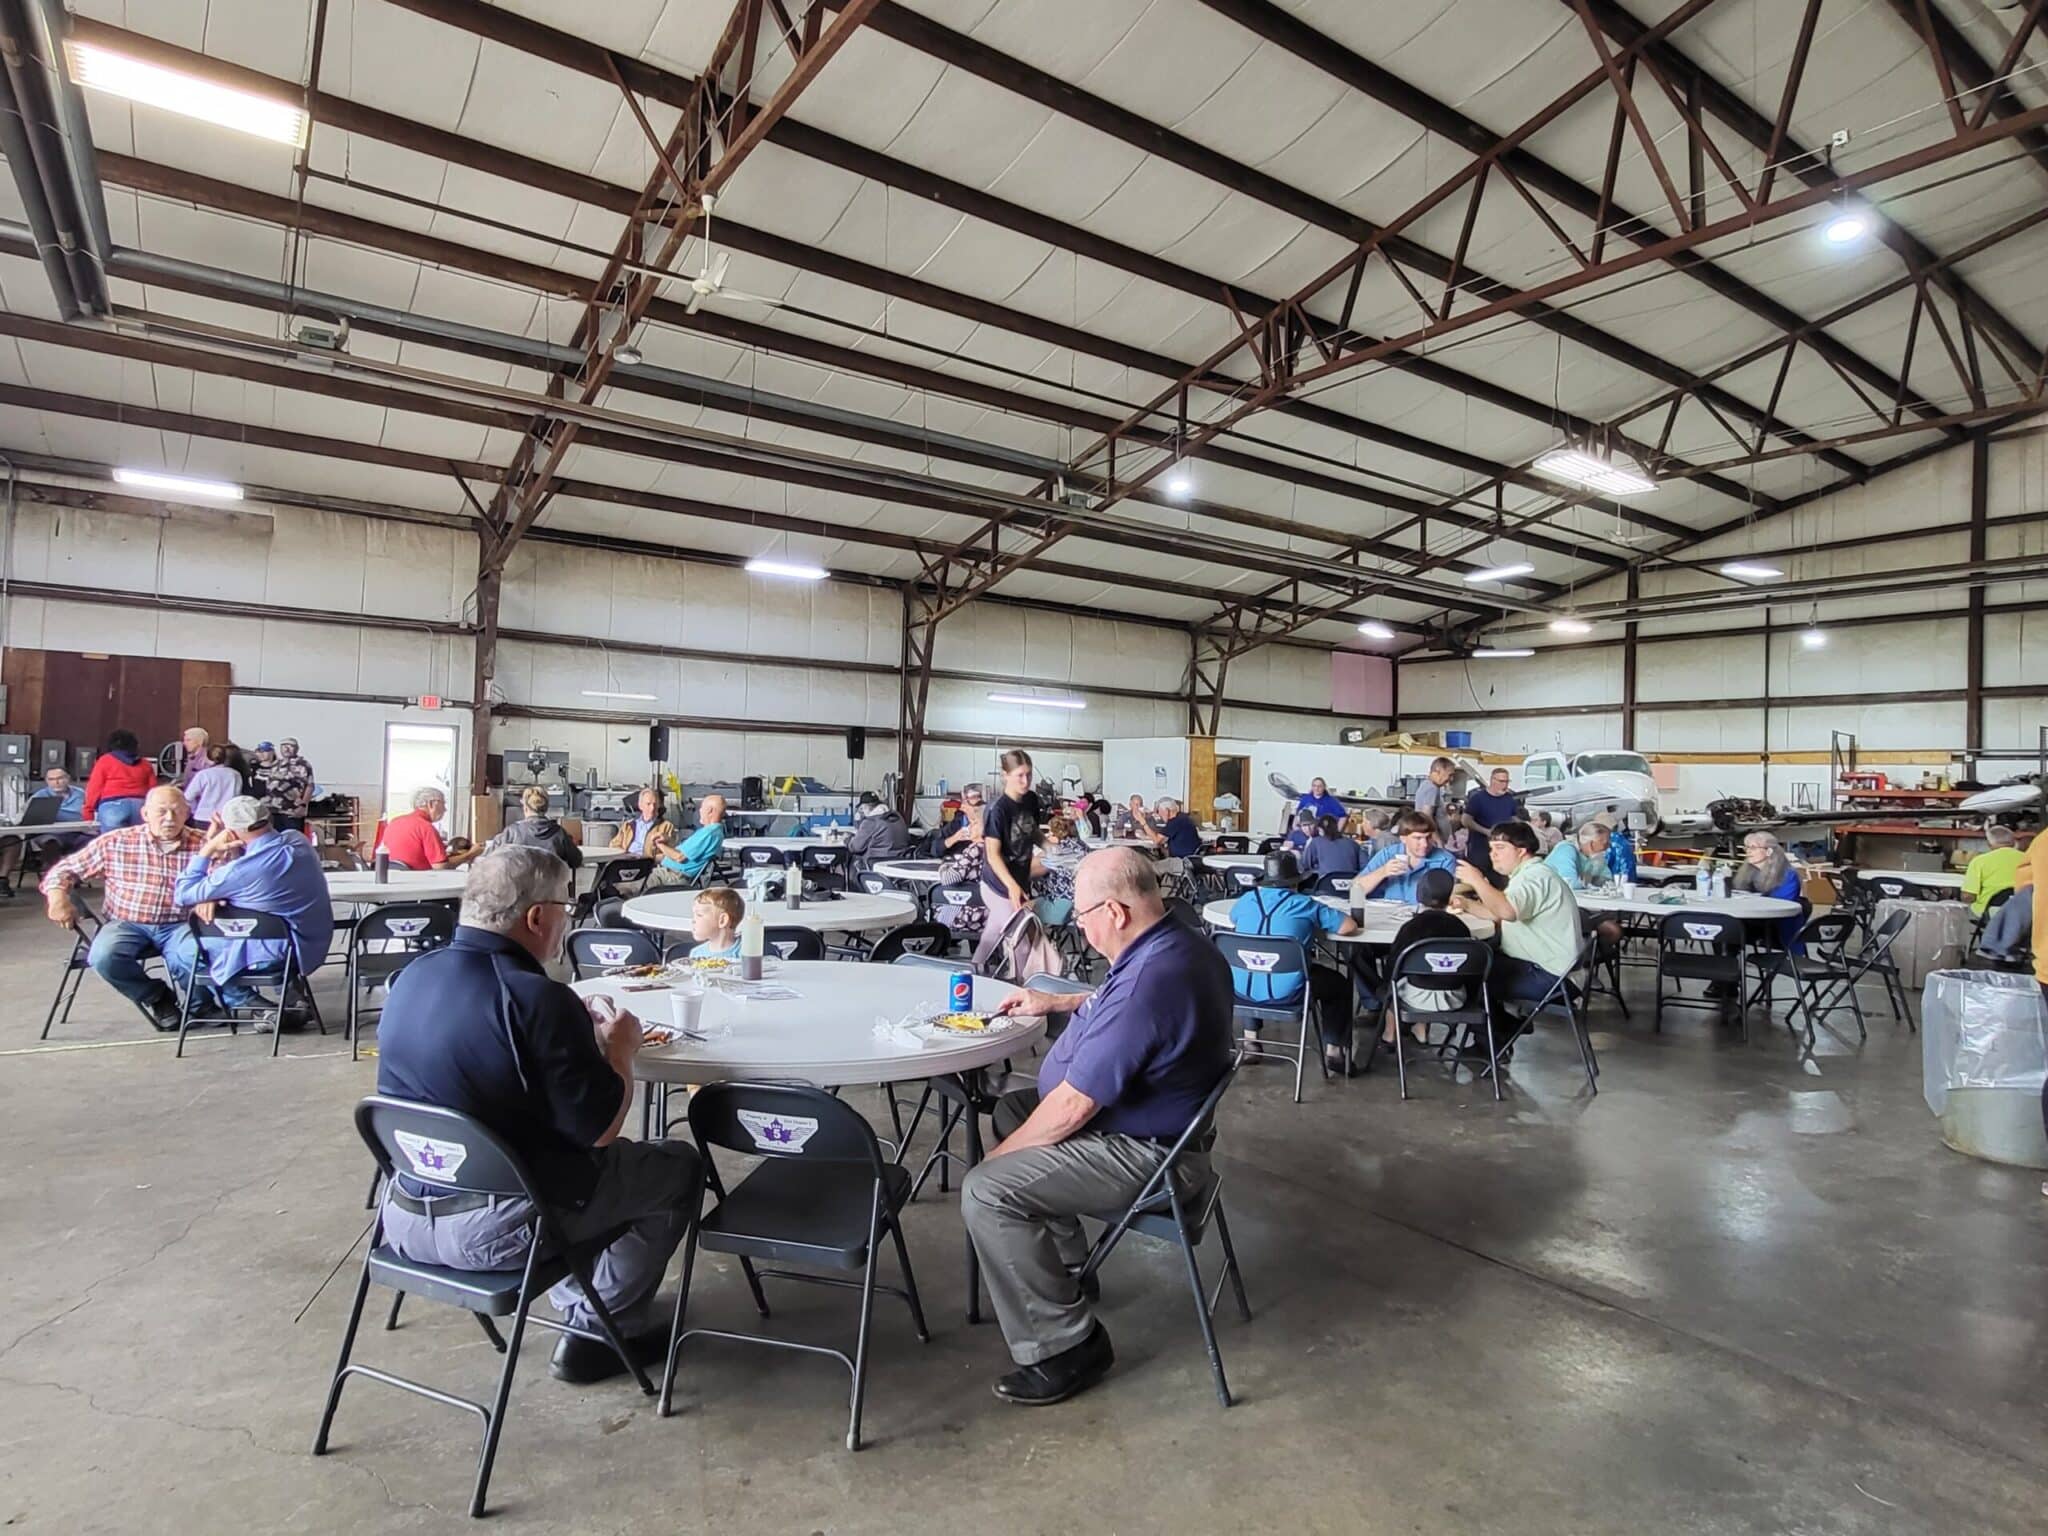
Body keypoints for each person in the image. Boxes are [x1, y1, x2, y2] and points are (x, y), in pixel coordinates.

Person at [373, 846, 703, 1384]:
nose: (565, 920)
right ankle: (600, 1327)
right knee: (673, 1168)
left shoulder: (411, 978)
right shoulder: (537, 998)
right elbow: (600, 1132)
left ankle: (584, 1297)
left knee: (572, 1167)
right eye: (565, 908)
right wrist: (619, 1049)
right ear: (537, 916)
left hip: (404, 1212)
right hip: (495, 1235)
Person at [963, 848, 1234, 1406]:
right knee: (1013, 1110)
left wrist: (998, 1162)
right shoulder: (1177, 940)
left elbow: (1073, 1108)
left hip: (1153, 1156)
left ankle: (1066, 1347)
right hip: (1160, 1126)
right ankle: (1065, 1271)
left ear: (1114, 911)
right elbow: (1121, 1003)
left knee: (988, 1191)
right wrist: (1057, 1000)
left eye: (1083, 916)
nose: (1080, 927)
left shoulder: (1150, 982)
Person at [41, 785, 206, 1031]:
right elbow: (63, 871)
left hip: (181, 923)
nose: (169, 819)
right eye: (161, 812)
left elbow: (231, 877)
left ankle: (201, 1006)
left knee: (197, 954)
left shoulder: (204, 844)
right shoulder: (116, 842)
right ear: (145, 813)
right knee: (103, 957)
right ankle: (157, 997)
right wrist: (57, 898)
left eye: (176, 811)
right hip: (127, 922)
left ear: (187, 813)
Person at [168, 796, 333, 1028]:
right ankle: (293, 996)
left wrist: (208, 848)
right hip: (307, 947)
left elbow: (183, 894)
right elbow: (249, 876)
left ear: (231, 833)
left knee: (182, 951)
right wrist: (217, 890)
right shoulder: (298, 842)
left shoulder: (238, 873)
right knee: (265, 923)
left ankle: (257, 1007)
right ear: (268, 818)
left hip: (271, 955)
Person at [1454, 821, 1582, 1051]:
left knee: (1464, 974)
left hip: (1549, 977)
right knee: (1473, 965)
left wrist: (1475, 881)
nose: (1494, 856)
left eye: (1501, 848)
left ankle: (1493, 1041)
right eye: (1491, 849)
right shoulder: (1531, 874)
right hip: (1549, 968)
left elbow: (1506, 911)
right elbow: (1499, 911)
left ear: (1521, 850)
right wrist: (1465, 904)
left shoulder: (1533, 878)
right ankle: (1502, 1031)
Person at [1228, 849, 1360, 1071]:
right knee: (1338, 984)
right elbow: (1349, 927)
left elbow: (1233, 919)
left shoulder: (1246, 900)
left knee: (1254, 968)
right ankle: (1334, 1051)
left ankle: (1250, 1040)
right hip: (1289, 992)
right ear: (1295, 882)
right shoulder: (1305, 904)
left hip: (1240, 991)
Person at [1379, 867, 1477, 1049]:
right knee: (1433, 971)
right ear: (1449, 898)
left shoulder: (1411, 927)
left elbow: (1394, 968)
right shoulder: (1461, 928)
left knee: (1392, 983)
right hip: (1456, 997)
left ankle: (1390, 1034)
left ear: (1418, 895)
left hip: (1417, 997)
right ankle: (1421, 1030)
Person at [977, 750, 1043, 967]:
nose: (1026, 781)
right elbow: (992, 855)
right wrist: (1012, 886)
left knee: (991, 937)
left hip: (1020, 881)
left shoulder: (1031, 800)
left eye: (1029, 775)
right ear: (1005, 775)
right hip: (998, 884)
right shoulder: (997, 810)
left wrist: (1050, 847)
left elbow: (1032, 831)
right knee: (1021, 943)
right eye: (1020, 776)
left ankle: (971, 974)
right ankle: (1022, 990)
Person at [0, 766, 89, 892]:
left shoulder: (81, 794)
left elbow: (92, 812)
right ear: (47, 781)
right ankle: (55, 879)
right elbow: (21, 818)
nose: (56, 782)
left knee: (94, 841)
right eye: (51, 779)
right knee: (50, 842)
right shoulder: (40, 797)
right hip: (50, 833)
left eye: (60, 778)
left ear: (68, 779)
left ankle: (77, 875)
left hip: (77, 832)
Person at [1353, 810, 1457, 903]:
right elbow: (1355, 889)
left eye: (1428, 837)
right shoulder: (1388, 854)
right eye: (1418, 838)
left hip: (1424, 916)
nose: (1424, 844)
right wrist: (1383, 872)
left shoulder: (1445, 860)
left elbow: (1452, 897)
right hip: (1389, 915)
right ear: (1403, 838)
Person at [1731, 828, 1804, 956]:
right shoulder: (1750, 872)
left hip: (1777, 926)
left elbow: (1780, 905)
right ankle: (1728, 964)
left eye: (1753, 848)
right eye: (1747, 848)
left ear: (1769, 851)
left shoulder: (1788, 875)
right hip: (1755, 920)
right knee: (1722, 926)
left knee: (1730, 928)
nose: (1748, 852)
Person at [377, 787, 476, 870]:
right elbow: (440, 866)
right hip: (419, 884)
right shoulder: (425, 827)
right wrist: (470, 854)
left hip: (395, 879)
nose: (445, 809)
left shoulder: (394, 822)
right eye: (443, 803)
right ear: (432, 804)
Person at [490, 786, 583, 870]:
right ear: (546, 808)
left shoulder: (512, 833)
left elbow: (488, 858)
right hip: (551, 887)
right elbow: (576, 861)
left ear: (525, 808)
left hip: (519, 887)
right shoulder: (559, 833)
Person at [83, 728, 157, 831]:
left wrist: (88, 811)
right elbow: (153, 791)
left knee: (113, 843)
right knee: (139, 842)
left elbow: (94, 788)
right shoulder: (145, 763)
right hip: (141, 805)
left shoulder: (105, 760)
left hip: (113, 806)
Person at [652, 793, 727, 884]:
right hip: (670, 872)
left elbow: (679, 857)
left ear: (710, 811)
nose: (700, 810)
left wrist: (659, 844)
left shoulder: (708, 834)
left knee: (632, 886)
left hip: (673, 875)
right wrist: (668, 840)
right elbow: (682, 852)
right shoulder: (714, 832)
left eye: (702, 807)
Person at [1963, 825, 2025, 918]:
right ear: (2013, 842)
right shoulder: (2028, 858)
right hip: (2022, 911)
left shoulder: (1979, 861)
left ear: (1989, 843)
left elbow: (1968, 896)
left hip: (1989, 913)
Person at [259, 738, 316, 832]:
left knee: (292, 839)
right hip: (273, 810)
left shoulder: (303, 764)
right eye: (283, 746)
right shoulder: (275, 764)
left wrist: (303, 806)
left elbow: (310, 786)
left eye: (290, 746)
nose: (286, 749)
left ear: (296, 748)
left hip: (292, 811)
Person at [1035, 813, 1091, 903]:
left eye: (1050, 832)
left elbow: (1035, 869)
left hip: (1057, 898)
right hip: (1080, 896)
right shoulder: (1083, 846)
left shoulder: (1057, 851)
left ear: (1055, 834)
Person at [183, 745, 243, 827]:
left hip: (204, 817)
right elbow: (237, 796)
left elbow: (188, 797)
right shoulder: (235, 774)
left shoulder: (204, 774)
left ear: (207, 758)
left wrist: (194, 810)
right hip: (227, 817)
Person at [846, 791, 912, 864]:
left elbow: (856, 848)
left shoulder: (870, 821)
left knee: (851, 860)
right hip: (900, 863)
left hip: (876, 865)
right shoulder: (897, 816)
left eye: (862, 809)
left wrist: (847, 840)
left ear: (864, 807)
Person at [610, 787, 673, 857]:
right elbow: (614, 844)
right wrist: (623, 855)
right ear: (641, 806)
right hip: (627, 860)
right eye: (648, 804)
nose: (652, 808)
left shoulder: (666, 826)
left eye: (655, 804)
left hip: (647, 862)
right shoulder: (628, 826)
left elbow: (672, 850)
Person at [1298, 815, 1363, 882]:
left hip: (1325, 887)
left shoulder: (1316, 842)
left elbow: (1304, 865)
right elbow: (1365, 867)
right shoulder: (1354, 844)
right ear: (1336, 827)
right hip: (1351, 887)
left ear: (1321, 830)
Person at [688, 886, 745, 958]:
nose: (693, 920)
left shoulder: (746, 954)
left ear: (723, 920)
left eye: (699, 915)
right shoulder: (696, 954)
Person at [1137, 796, 1203, 858]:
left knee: (1151, 866)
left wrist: (1143, 823)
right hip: (1190, 857)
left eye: (1159, 811)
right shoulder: (1183, 817)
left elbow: (1156, 840)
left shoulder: (1174, 822)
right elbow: (1163, 839)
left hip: (1181, 861)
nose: (1159, 815)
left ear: (1166, 811)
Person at [1413, 757, 1456, 843]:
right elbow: (1426, 816)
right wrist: (1437, 840)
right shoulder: (1431, 788)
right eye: (1449, 775)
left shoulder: (1429, 786)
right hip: (1432, 842)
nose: (1451, 779)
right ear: (1438, 771)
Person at [942, 784, 988, 850]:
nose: (977, 809)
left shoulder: (988, 820)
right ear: (963, 806)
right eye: (973, 805)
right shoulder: (956, 823)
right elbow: (935, 849)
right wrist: (954, 838)